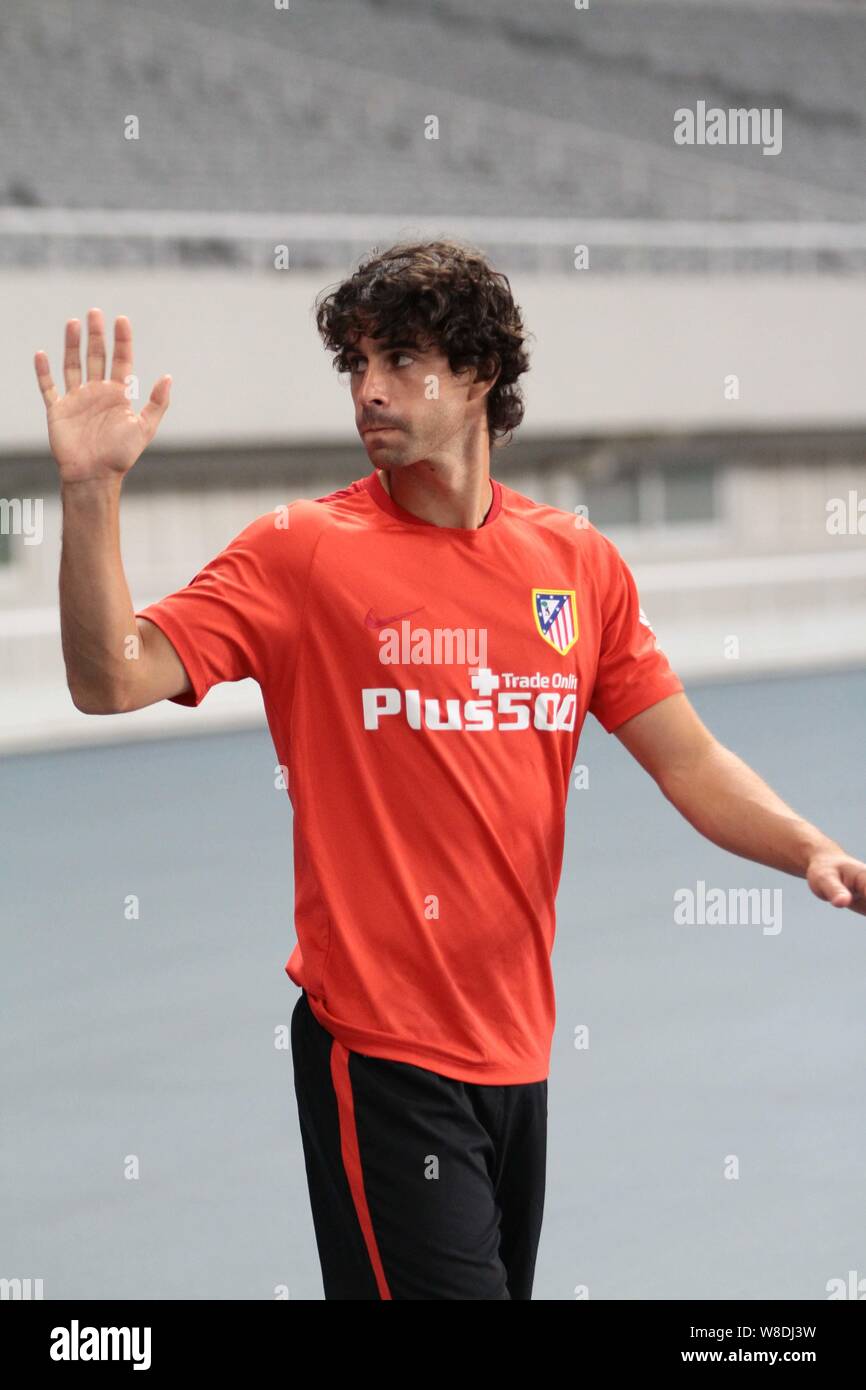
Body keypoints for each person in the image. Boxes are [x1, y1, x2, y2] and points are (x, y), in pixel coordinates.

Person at [34, 238, 866, 1300]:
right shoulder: (302, 553)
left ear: (478, 376)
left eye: (400, 361)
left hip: (516, 1055)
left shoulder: (574, 564)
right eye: (355, 366)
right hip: (379, 1052)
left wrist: (813, 851)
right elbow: (109, 676)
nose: (368, 391)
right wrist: (91, 495)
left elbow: (688, 758)